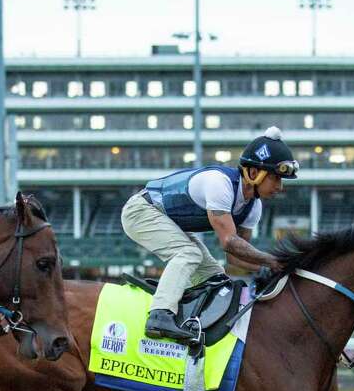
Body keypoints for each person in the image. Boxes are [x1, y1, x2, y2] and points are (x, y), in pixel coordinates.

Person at [121, 126, 297, 342]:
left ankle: (190, 323)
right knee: (189, 254)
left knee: (216, 277)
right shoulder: (219, 184)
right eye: (275, 178)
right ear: (254, 173)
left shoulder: (254, 207)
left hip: (169, 221)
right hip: (141, 211)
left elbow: (235, 260)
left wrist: (274, 269)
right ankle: (159, 315)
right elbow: (229, 243)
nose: (279, 187)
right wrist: (274, 261)